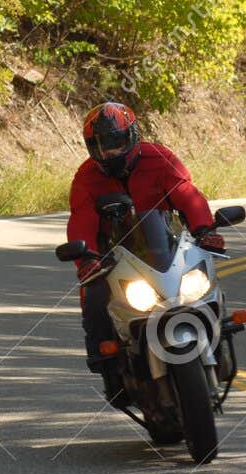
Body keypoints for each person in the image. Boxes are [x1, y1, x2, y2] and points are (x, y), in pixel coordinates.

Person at [67, 102, 225, 406]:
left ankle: (219, 332)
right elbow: (81, 220)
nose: (109, 152)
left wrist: (206, 230)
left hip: (168, 246)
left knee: (205, 276)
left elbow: (188, 195)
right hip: (116, 255)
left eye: (115, 143)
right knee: (94, 295)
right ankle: (109, 367)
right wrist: (86, 259)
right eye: (100, 145)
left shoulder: (160, 159)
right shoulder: (86, 177)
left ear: (133, 135)